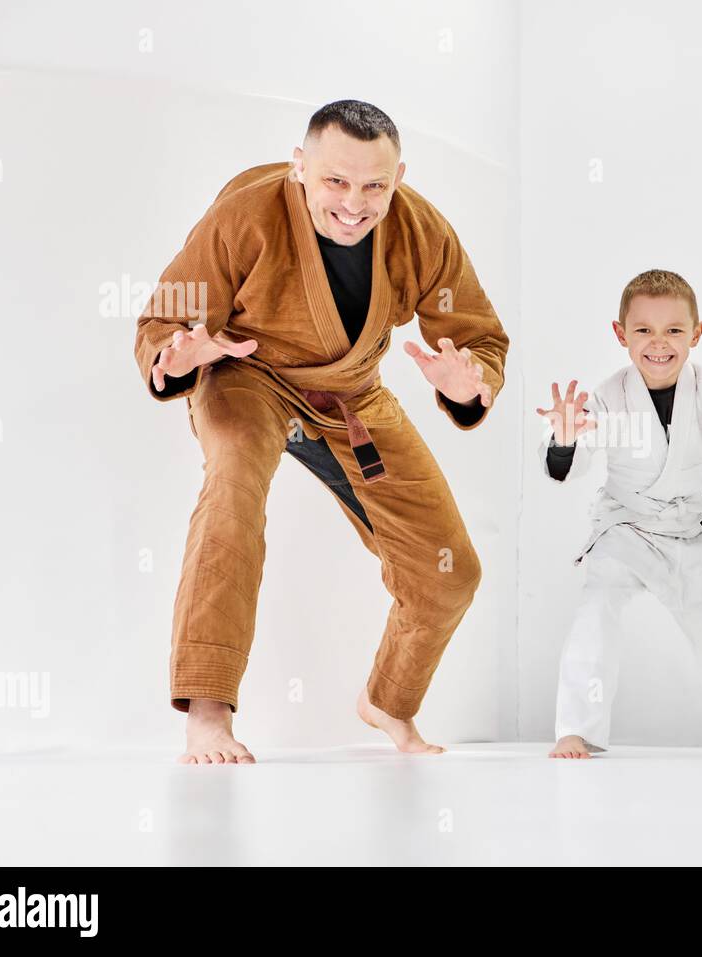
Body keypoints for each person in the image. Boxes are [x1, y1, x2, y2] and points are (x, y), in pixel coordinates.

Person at [133, 100, 509, 764]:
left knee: (452, 569)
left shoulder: (421, 230)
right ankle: (208, 713)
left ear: (399, 177)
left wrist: (469, 382)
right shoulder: (246, 215)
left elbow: (476, 337)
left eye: (375, 185)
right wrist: (177, 355)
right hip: (246, 373)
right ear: (300, 166)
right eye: (335, 181)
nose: (354, 204)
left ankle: (390, 700)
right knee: (233, 493)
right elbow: (168, 319)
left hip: (350, 392)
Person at [536, 269, 702, 759]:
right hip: (624, 526)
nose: (659, 344)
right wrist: (566, 438)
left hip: (687, 529)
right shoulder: (607, 396)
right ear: (620, 335)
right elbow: (572, 461)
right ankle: (576, 728)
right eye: (643, 330)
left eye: (674, 330)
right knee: (596, 615)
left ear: (697, 334)